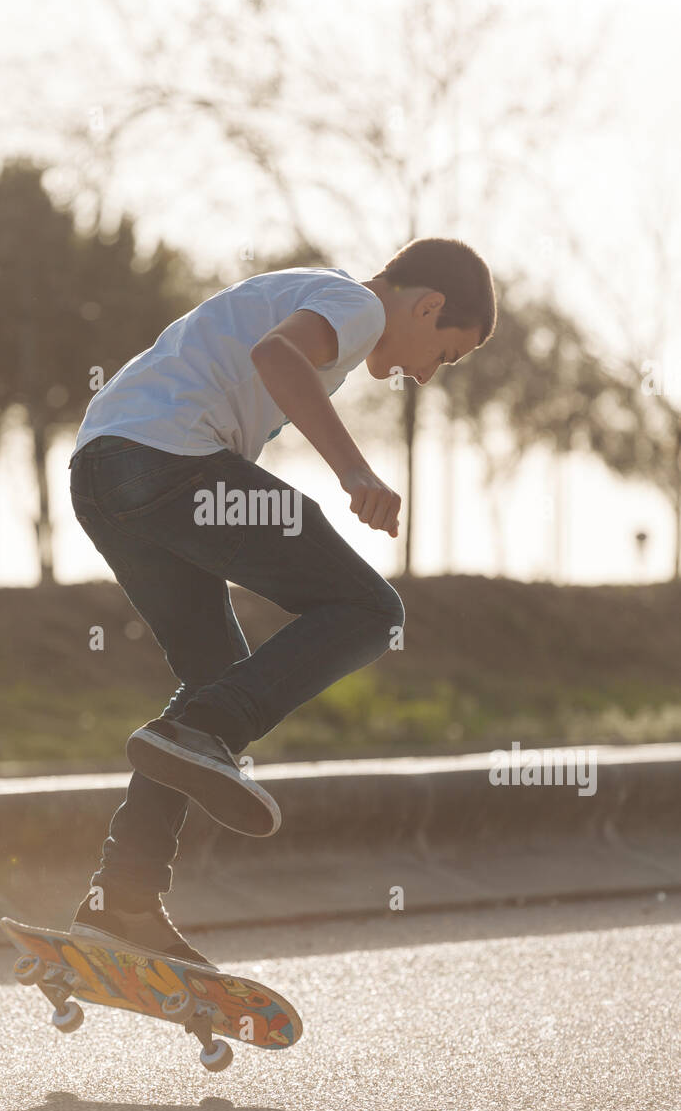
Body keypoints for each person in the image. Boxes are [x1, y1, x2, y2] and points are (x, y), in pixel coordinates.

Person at [67, 236, 496, 963]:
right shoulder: (358, 303)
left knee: (212, 674)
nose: (427, 377)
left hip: (102, 476)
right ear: (428, 306)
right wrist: (355, 470)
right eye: (444, 355)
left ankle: (123, 900)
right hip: (167, 463)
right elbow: (277, 357)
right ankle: (204, 734)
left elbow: (261, 359)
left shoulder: (313, 292)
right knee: (369, 611)